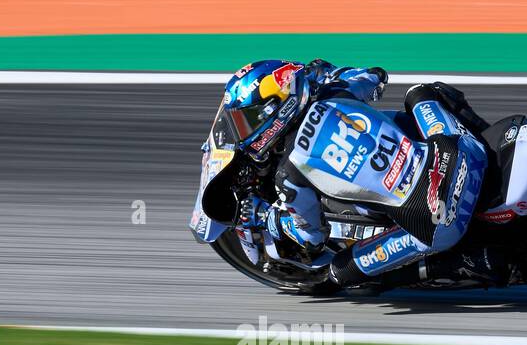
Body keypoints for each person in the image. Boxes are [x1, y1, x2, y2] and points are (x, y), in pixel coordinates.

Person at [212, 58, 498, 294]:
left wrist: (267, 217)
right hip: (460, 154)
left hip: (436, 220)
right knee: (422, 92)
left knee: (339, 272)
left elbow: (311, 238)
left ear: (276, 110)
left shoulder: (289, 174)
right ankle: (494, 150)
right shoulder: (337, 91)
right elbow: (375, 77)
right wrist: (333, 74)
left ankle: (462, 263)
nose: (243, 130)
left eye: (247, 120)